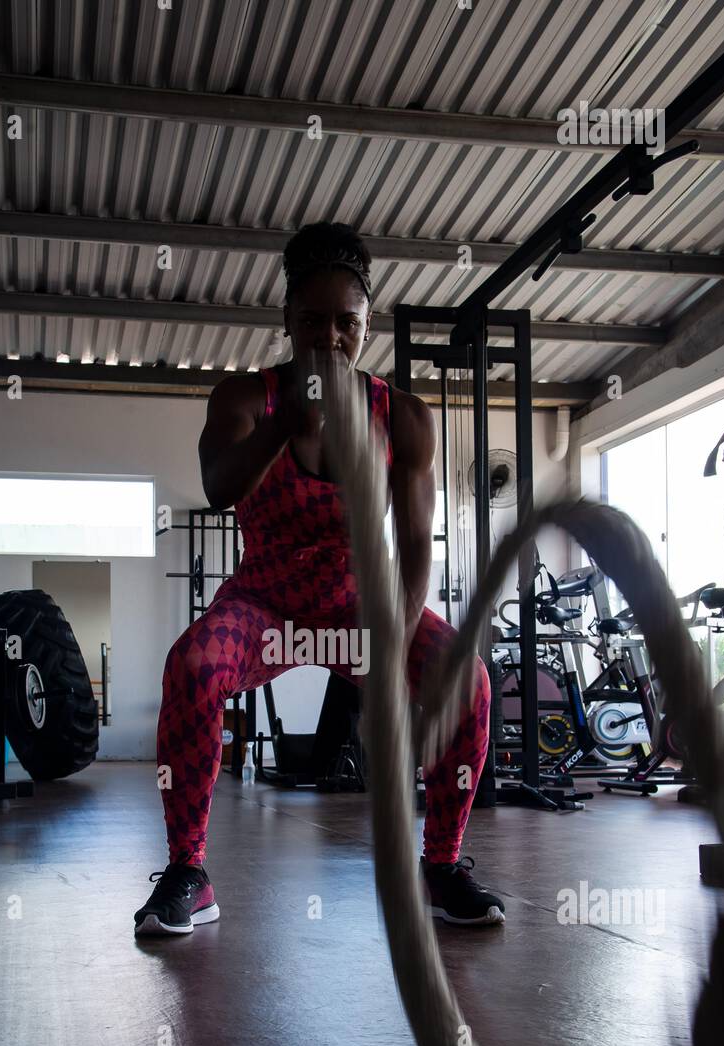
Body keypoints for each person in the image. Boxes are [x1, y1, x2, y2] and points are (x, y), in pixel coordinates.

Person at [134, 222, 505, 936]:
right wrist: (285, 423)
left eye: (347, 324)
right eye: (312, 322)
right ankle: (188, 872)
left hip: (353, 607)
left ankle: (441, 867)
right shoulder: (245, 400)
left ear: (366, 325)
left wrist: (396, 628)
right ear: (286, 321)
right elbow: (217, 487)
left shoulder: (404, 417)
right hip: (262, 606)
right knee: (192, 666)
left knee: (469, 681)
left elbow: (414, 541)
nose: (329, 337)